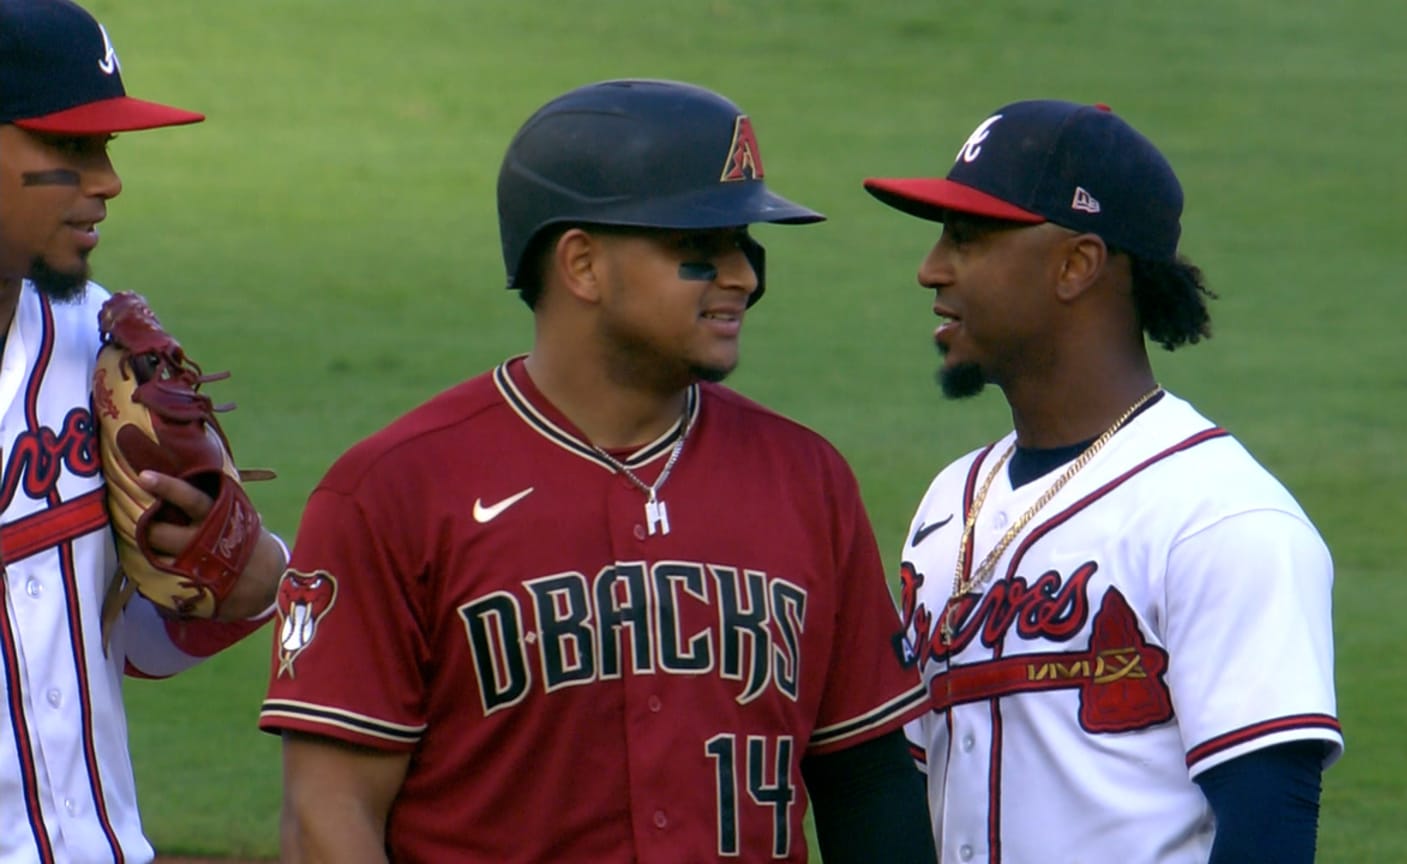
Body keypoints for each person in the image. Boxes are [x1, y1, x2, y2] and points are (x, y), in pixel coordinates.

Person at [259, 78, 936, 864]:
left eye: (747, 246)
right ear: (581, 264)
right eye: (701, 247)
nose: (744, 277)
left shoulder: (806, 480)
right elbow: (328, 815)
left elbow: (868, 783)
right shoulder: (395, 492)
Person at [862, 100, 1344, 863]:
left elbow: (1269, 824)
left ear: (1077, 265)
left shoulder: (1218, 515)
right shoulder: (949, 503)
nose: (932, 268)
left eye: (967, 237)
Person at [0, 1, 289, 861]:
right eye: (71, 147)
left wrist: (248, 576)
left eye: (108, 148)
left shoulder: (101, 349)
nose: (108, 181)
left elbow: (118, 647)